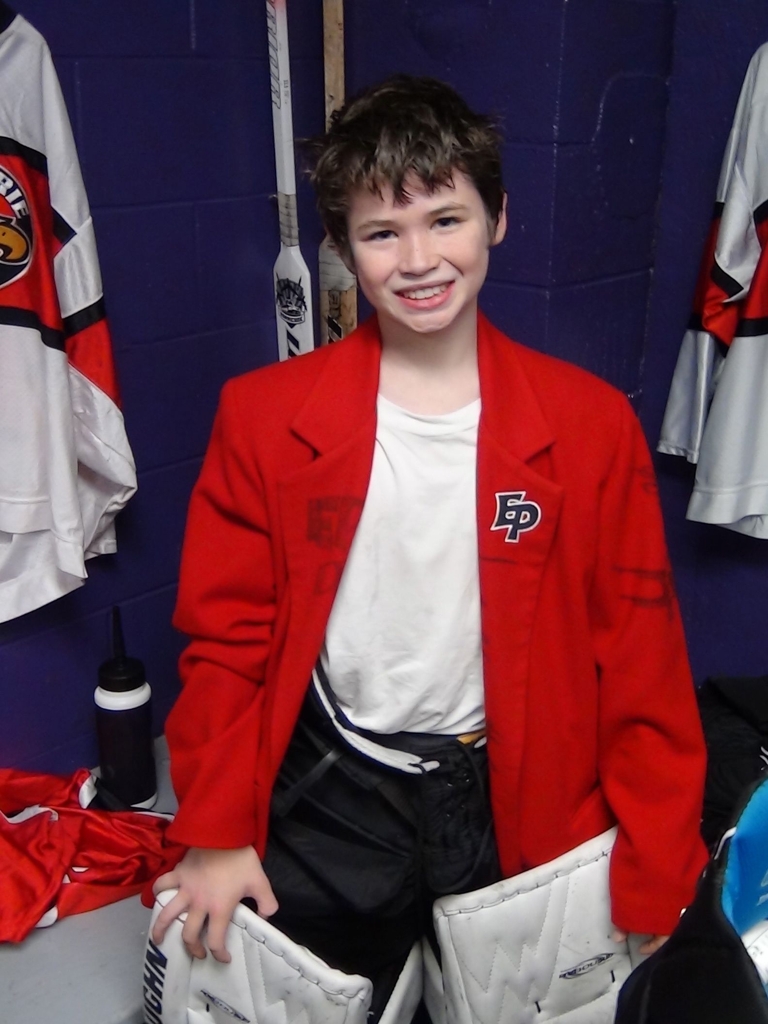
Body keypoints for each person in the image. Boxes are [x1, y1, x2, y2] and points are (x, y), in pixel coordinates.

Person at [150, 75, 708, 1021]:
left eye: (446, 219)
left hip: (511, 788)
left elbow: (640, 660)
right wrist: (212, 829)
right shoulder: (264, 417)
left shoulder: (589, 426)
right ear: (343, 249)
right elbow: (226, 640)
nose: (418, 260)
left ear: (498, 219)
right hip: (331, 781)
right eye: (382, 232)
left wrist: (659, 868)